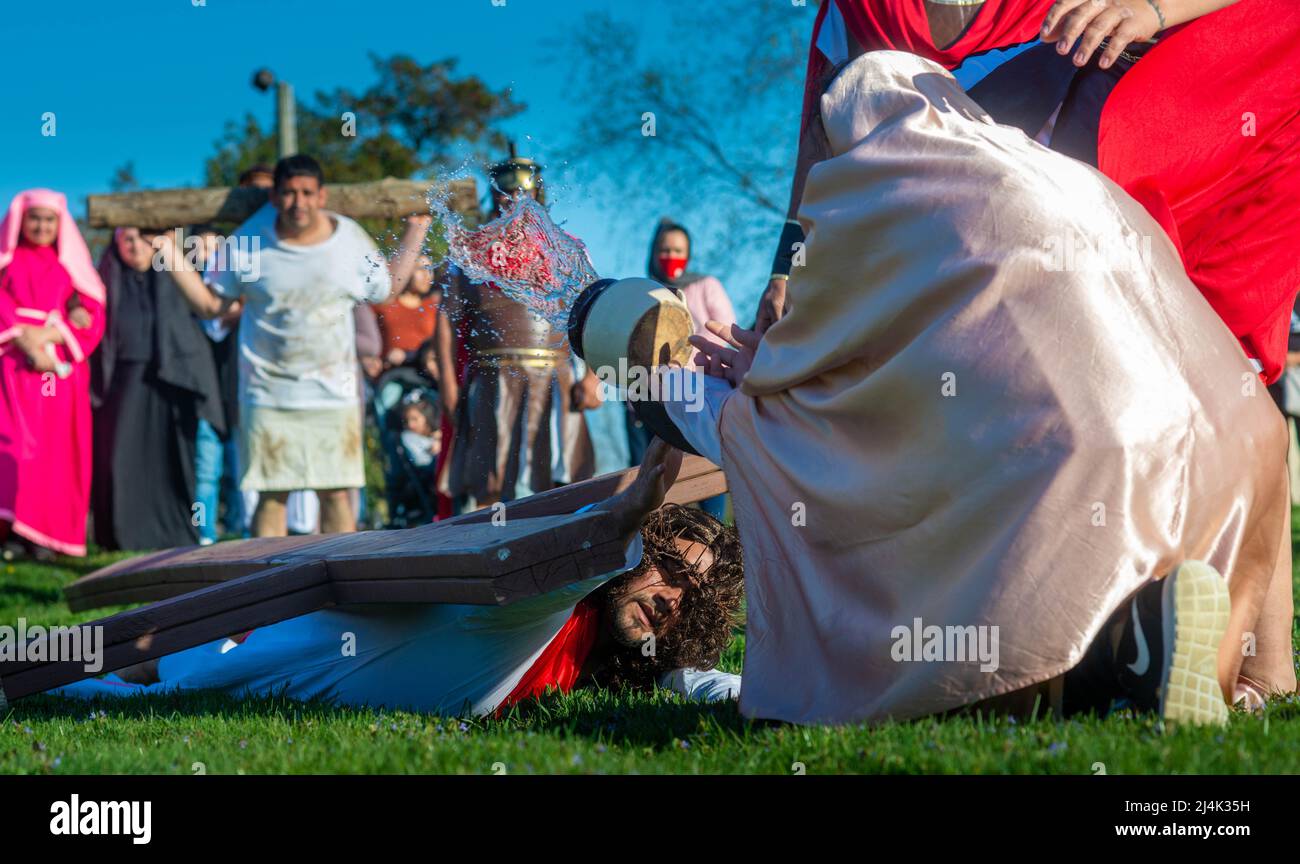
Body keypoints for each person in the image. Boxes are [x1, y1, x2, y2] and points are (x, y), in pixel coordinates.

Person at [669, 52, 1293, 726]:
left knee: (803, 444)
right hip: (1241, 445)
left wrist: (766, 368)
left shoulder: (877, 190)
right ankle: (1163, 646)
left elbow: (829, 345)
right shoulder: (1050, 171)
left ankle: (1101, 667)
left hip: (1091, 457)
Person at [757, 0, 1300, 391]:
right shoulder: (859, 15)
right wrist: (787, 269)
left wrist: (1152, 10)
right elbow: (820, 132)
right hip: (934, 228)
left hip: (1101, 175)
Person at [53, 441, 745, 715]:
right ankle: (51, 666)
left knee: (176, 676)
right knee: (169, 674)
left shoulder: (627, 661)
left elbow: (704, 684)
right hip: (322, 632)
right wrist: (624, 514)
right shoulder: (548, 604)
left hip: (370, 660)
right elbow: (577, 554)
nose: (671, 599)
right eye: (670, 569)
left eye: (693, 595)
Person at [164, 154, 429, 537]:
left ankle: (343, 587)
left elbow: (387, 288)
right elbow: (211, 305)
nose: (298, 202)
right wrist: (169, 253)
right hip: (268, 392)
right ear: (274, 197)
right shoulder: (248, 242)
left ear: (321, 196)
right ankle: (271, 589)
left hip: (333, 394)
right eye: (288, 193)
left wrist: (416, 232)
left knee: (337, 495)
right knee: (273, 496)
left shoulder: (349, 240)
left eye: (306, 193)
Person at [434, 152, 600, 515]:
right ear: (494, 196)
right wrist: (448, 381)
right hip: (492, 377)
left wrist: (593, 377)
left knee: (560, 483)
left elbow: (596, 310)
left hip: (553, 377)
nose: (513, 201)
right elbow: (446, 321)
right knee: (490, 480)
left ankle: (555, 563)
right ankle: (492, 560)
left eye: (522, 192)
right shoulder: (471, 250)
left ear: (538, 195)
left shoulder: (564, 247)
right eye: (505, 193)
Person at [91, 227, 225, 551]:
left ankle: (179, 534)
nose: (135, 247)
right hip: (122, 383)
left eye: (144, 239)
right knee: (121, 462)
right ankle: (121, 538)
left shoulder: (176, 277)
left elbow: (210, 306)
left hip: (173, 380)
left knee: (176, 463)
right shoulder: (107, 278)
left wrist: (169, 250)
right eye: (127, 240)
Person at [0, 190, 106, 559]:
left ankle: (45, 537)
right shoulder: (6, 261)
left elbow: (92, 312)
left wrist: (48, 336)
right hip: (13, 367)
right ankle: (12, 532)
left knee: (52, 451)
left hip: (59, 373)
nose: (42, 226)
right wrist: (26, 343)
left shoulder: (70, 266)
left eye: (49, 219)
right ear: (20, 220)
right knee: (14, 446)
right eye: (35, 218)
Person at [630, 219, 735, 522]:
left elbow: (726, 332)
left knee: (707, 475)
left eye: (677, 250)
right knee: (650, 475)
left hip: (698, 393)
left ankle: (716, 540)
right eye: (665, 249)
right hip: (647, 399)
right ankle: (651, 552)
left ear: (688, 253)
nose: (671, 255)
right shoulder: (639, 293)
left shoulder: (706, 286)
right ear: (653, 252)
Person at [373, 254, 440, 373]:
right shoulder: (383, 304)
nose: (427, 275)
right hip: (390, 375)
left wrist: (407, 355)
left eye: (430, 270)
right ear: (405, 270)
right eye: (420, 269)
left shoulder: (434, 307)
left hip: (424, 375)